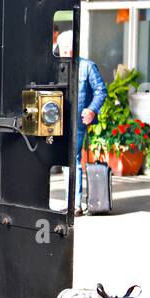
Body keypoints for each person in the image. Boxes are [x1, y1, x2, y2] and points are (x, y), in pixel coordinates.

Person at [54, 30, 106, 213]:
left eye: (70, 47)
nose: (67, 51)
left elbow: (101, 91)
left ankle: (74, 204)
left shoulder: (87, 66)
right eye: (64, 47)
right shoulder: (55, 66)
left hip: (77, 120)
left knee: (72, 158)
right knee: (63, 159)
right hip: (56, 121)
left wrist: (91, 109)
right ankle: (72, 203)